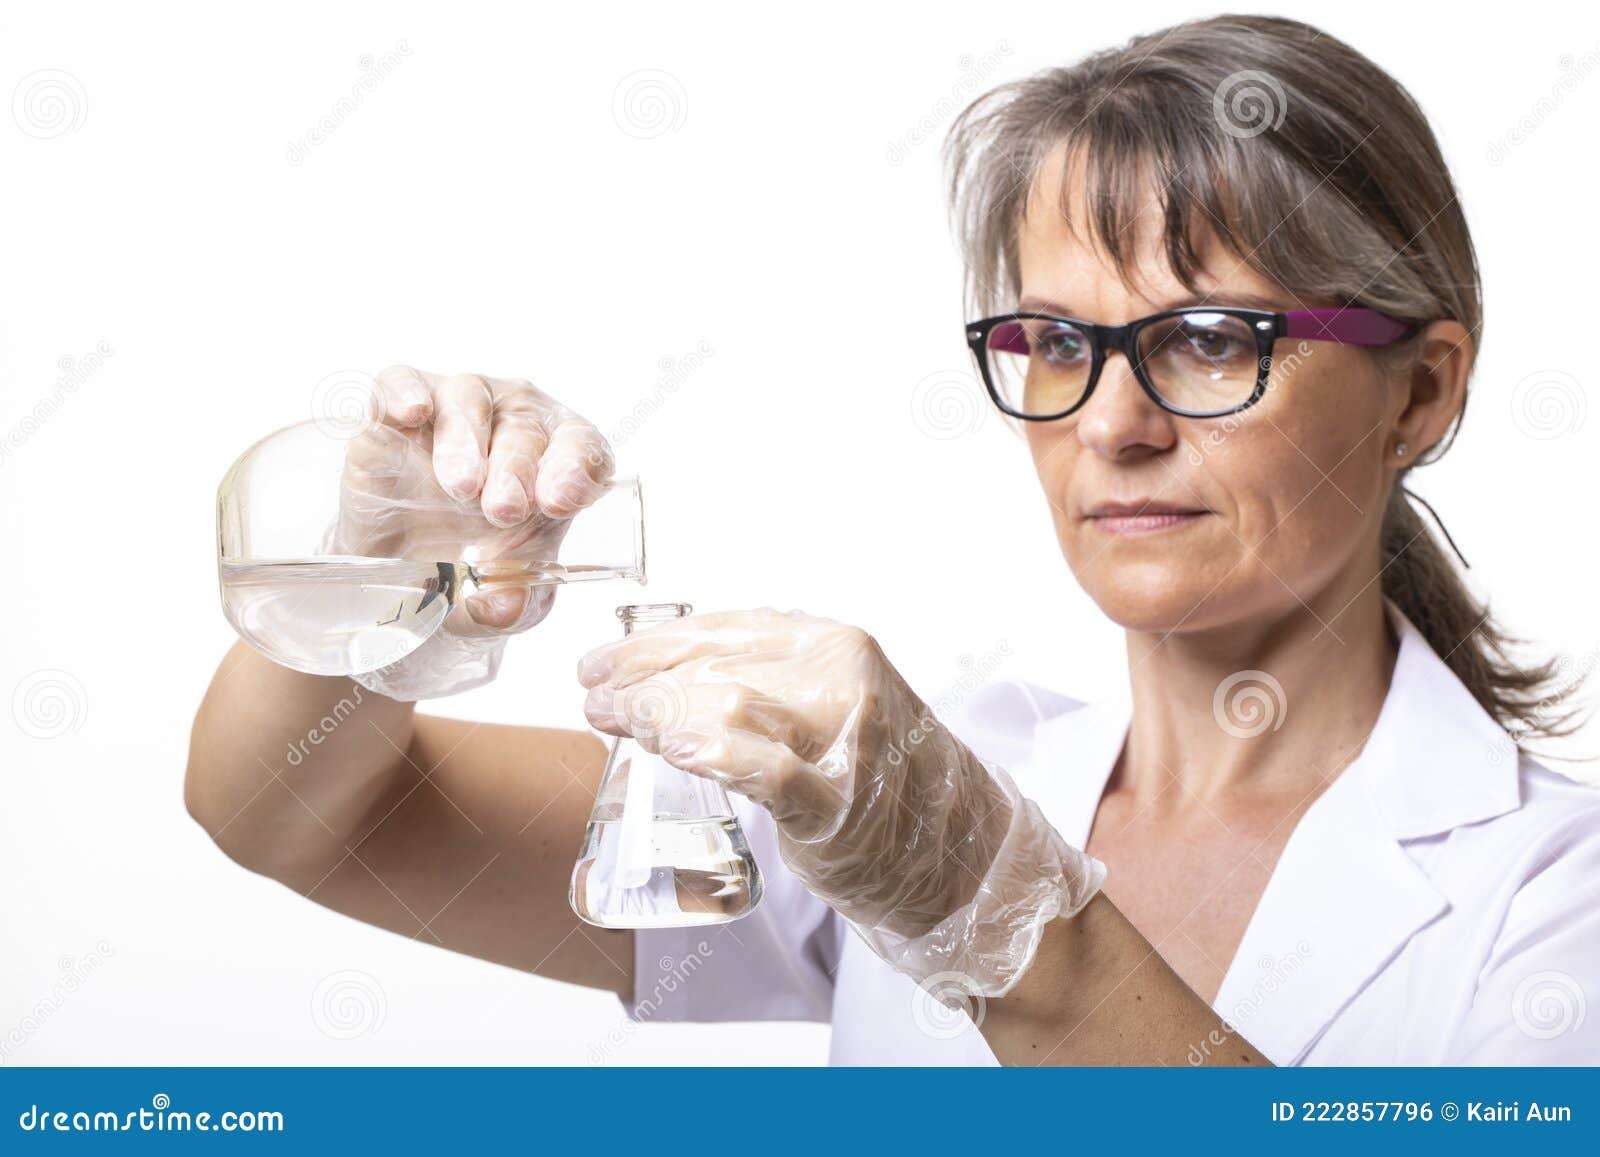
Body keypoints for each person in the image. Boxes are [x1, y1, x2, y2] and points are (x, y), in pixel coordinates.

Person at [186, 14, 1600, 1065]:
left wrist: (992, 906)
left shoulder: (1554, 898)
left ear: (1421, 390)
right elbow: (306, 819)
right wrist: (376, 586)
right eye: (1051, 341)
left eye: (1209, 339)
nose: (1112, 423)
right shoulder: (904, 788)